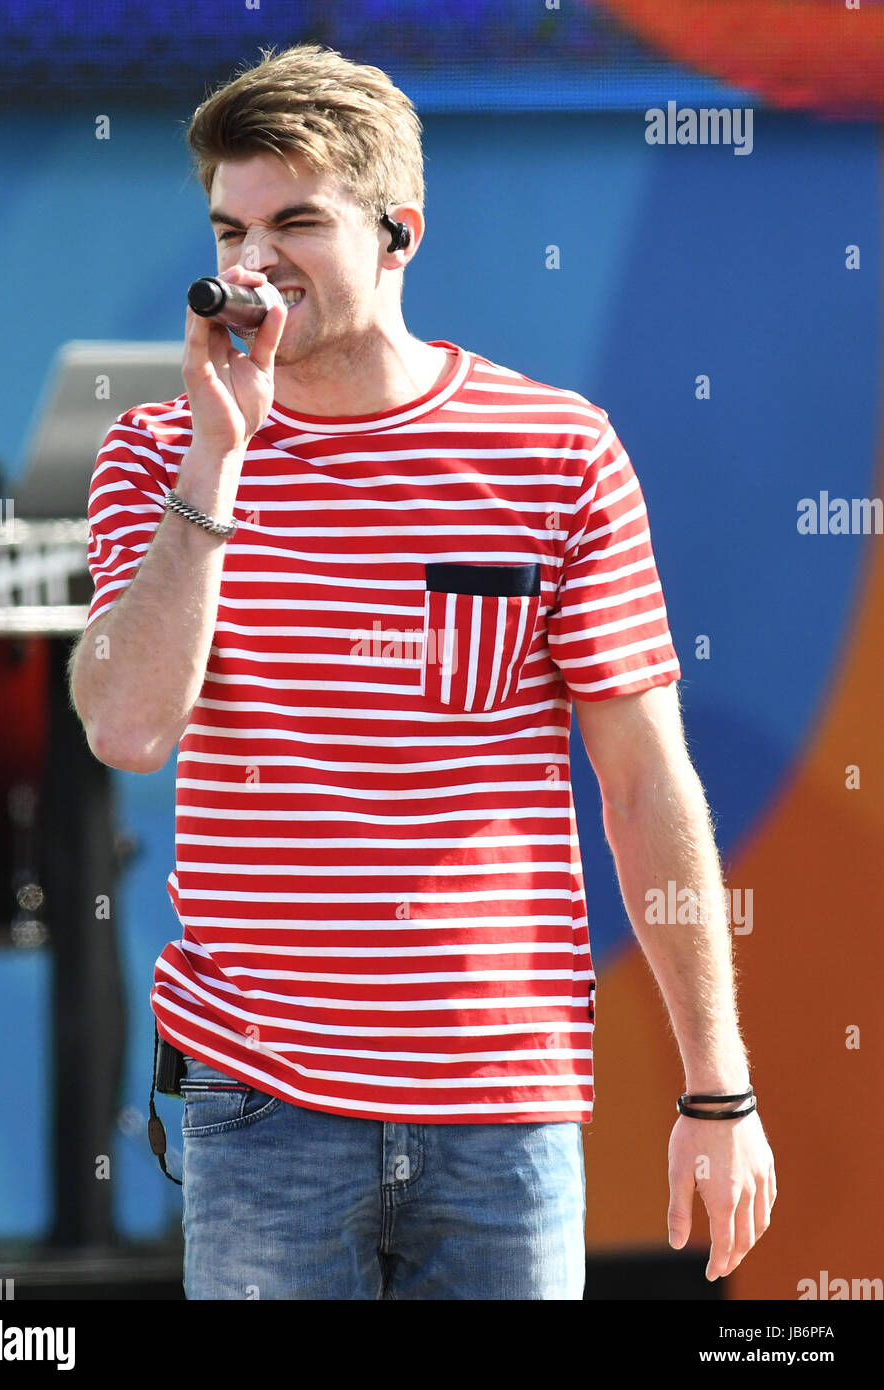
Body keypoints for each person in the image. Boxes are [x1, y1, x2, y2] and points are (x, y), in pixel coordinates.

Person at [69, 42, 776, 1300]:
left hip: (501, 1105)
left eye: (298, 221)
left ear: (399, 232)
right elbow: (127, 726)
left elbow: (646, 781)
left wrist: (717, 1085)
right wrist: (218, 466)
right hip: (257, 1100)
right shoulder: (156, 452)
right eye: (230, 227)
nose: (252, 264)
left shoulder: (555, 450)